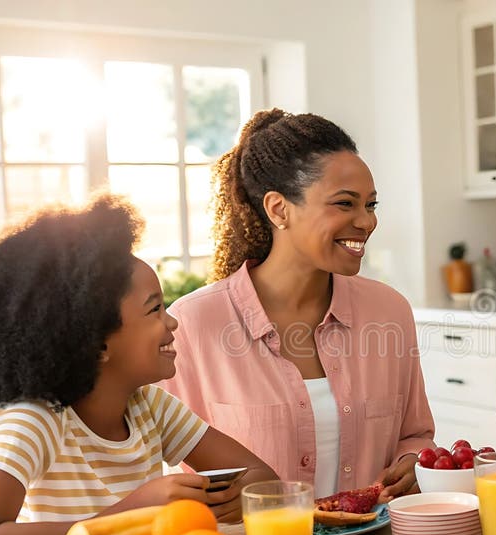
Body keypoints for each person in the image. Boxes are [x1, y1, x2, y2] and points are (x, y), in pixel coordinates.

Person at [0, 194, 278, 535]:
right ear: (95, 344)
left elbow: (262, 480)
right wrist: (128, 516)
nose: (172, 324)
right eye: (154, 310)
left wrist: (223, 498)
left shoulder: (149, 406)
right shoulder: (36, 419)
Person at [161, 109, 435, 503]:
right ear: (278, 209)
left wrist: (413, 461)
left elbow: (416, 435)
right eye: (344, 204)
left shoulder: (389, 312)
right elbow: (154, 465)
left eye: (370, 205)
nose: (367, 222)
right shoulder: (192, 324)